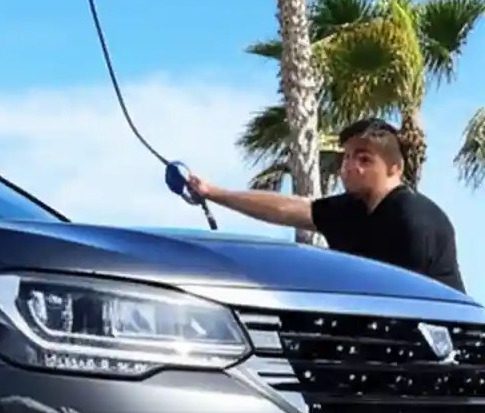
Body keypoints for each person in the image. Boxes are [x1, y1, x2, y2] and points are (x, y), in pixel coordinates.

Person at [186, 117, 464, 293]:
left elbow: (409, 299)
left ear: (395, 167)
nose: (350, 167)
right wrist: (212, 192)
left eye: (364, 159)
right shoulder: (350, 210)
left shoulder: (413, 217)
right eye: (347, 158)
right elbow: (285, 208)